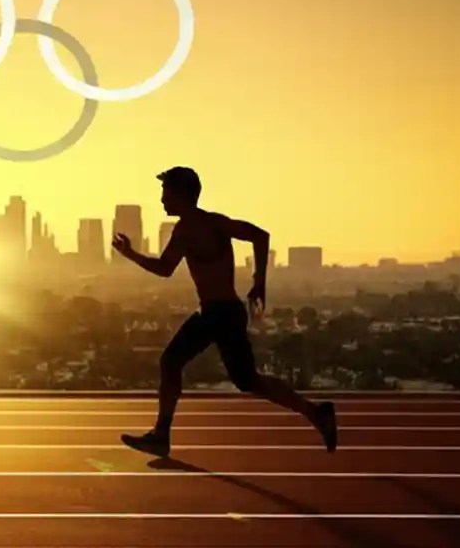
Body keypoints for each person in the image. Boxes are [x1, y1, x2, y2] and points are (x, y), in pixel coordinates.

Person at [112, 166, 337, 457]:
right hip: (214, 313)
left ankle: (316, 412)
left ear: (181, 195)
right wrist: (259, 284)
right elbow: (166, 268)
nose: (162, 200)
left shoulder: (205, 226)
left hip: (223, 314)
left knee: (239, 378)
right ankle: (161, 435)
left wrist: (259, 284)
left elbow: (260, 236)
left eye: (165, 193)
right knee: (187, 366)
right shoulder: (198, 227)